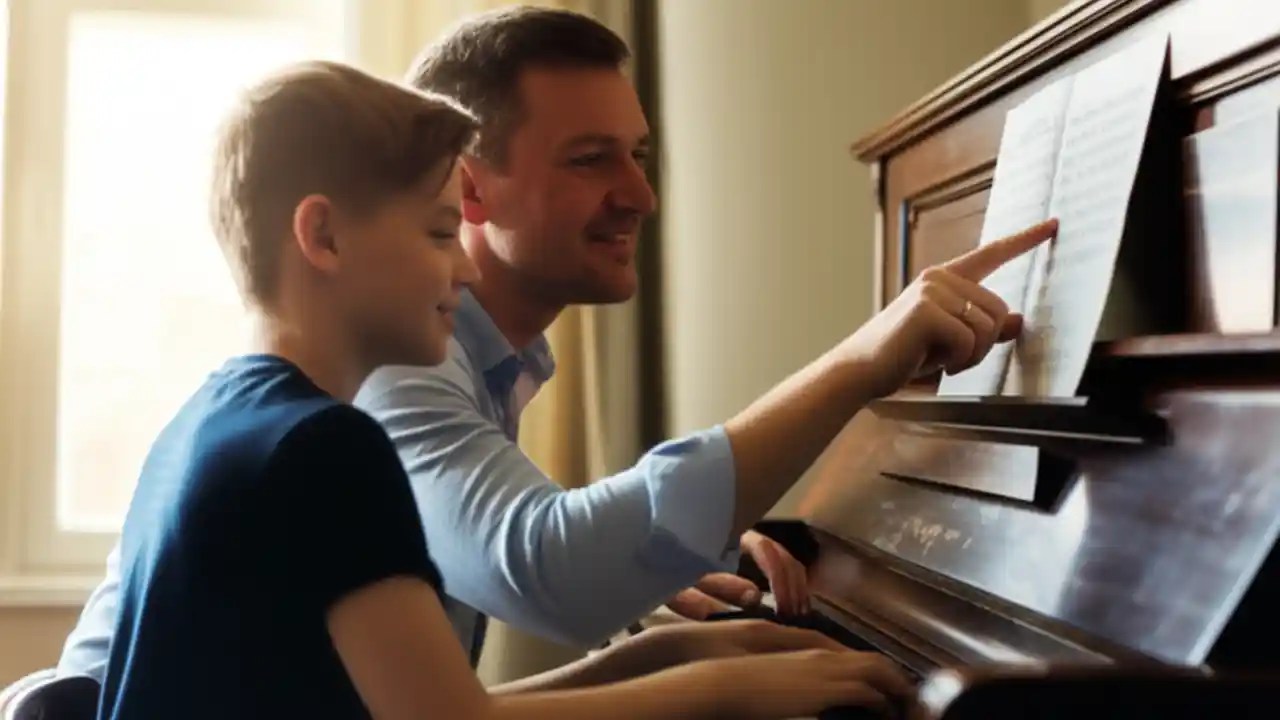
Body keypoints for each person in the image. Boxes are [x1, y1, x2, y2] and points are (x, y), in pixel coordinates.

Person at [60, 4, 1057, 684]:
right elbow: (545, 567)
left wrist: (658, 574)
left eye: (637, 155)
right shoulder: (379, 380)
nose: (639, 195)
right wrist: (862, 361)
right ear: (470, 187)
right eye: (590, 161)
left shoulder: (449, 368)